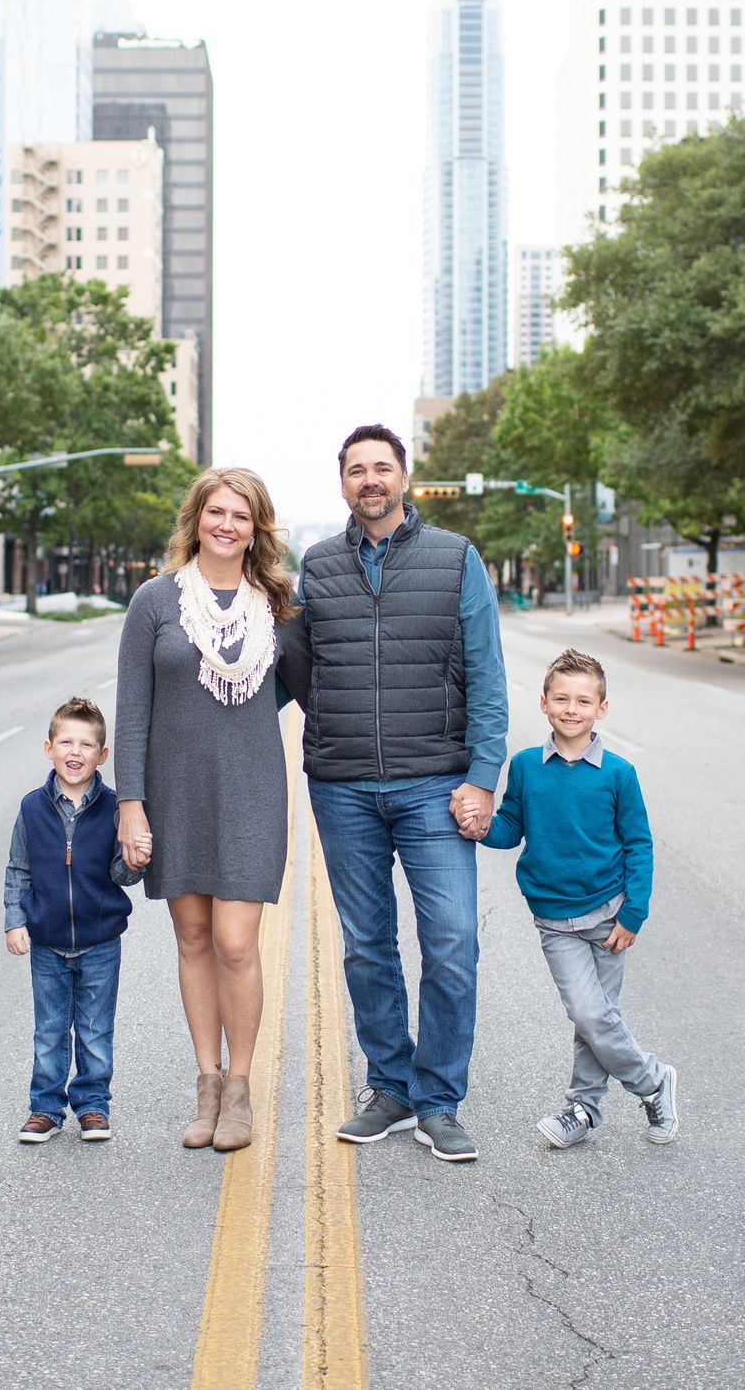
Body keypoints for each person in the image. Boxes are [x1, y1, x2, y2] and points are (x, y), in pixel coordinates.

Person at [283, 424, 507, 1163]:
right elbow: (292, 671)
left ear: (406, 477)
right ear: (342, 483)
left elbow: (487, 674)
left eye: (382, 467)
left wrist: (482, 775)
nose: (370, 480)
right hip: (343, 788)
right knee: (367, 947)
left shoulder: (455, 559)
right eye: (357, 470)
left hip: (435, 785)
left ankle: (439, 1099)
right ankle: (391, 1085)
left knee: (451, 942)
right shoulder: (316, 566)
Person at [114, 467, 298, 1152]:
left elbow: (306, 686)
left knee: (234, 941)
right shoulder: (155, 601)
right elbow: (132, 713)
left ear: (256, 528)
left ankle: (242, 1089)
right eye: (216, 511)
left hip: (251, 788)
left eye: (241, 515)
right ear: (196, 519)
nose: (227, 524)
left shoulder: (276, 605)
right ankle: (208, 1085)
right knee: (192, 939)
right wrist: (131, 806)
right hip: (173, 792)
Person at [484, 649, 678, 1149]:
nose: (572, 709)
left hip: (609, 916)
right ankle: (653, 1082)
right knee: (592, 1015)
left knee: (595, 1018)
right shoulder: (526, 766)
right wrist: (479, 825)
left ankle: (583, 1109)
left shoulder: (618, 774)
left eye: (584, 701)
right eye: (562, 699)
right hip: (554, 919)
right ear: (544, 704)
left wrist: (634, 912)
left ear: (602, 709)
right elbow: (511, 828)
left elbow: (639, 844)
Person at [3, 697, 146, 1143]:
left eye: (86, 744)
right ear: (49, 748)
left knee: (94, 1028)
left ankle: (92, 1105)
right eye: (66, 741)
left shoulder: (113, 809)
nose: (75, 751)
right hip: (46, 941)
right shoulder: (31, 808)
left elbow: (119, 875)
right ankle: (45, 1108)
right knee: (49, 1030)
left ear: (101, 756)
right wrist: (15, 920)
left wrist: (135, 861)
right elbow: (18, 869)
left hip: (100, 940)